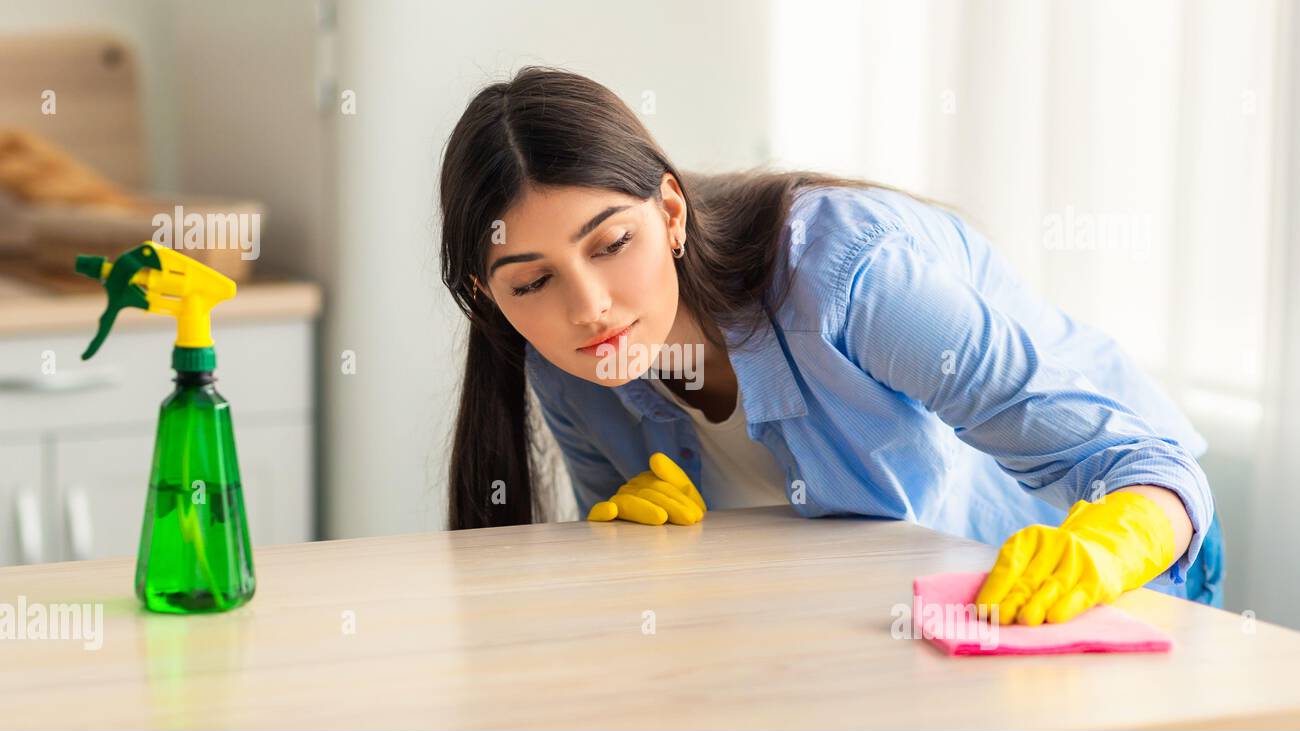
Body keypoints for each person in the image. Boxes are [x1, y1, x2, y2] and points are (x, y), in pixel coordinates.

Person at [439, 67, 1224, 624]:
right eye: (531, 283)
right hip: (888, 632)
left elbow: (1151, 469)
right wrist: (637, 552)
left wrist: (1111, 546)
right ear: (489, 296)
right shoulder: (564, 367)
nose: (589, 307)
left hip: (1129, 568)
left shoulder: (850, 281)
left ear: (670, 212)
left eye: (611, 242)